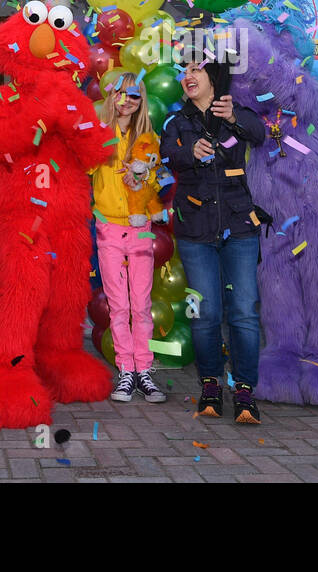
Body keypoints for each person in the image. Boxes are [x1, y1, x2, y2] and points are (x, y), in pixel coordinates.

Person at [159, 58, 266, 424]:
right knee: (205, 313)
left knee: (244, 312)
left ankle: (246, 390)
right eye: (185, 72)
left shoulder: (235, 111)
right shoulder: (177, 122)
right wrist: (189, 153)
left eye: (196, 71)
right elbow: (167, 153)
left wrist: (234, 119)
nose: (188, 77)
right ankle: (210, 385)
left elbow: (259, 132)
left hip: (239, 226)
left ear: (214, 78)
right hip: (195, 230)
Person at [91, 73, 167, 403]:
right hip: (108, 228)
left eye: (134, 96)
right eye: (122, 94)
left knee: (142, 303)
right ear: (112, 96)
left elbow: (162, 179)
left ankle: (144, 371)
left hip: (140, 230)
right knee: (119, 306)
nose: (127, 101)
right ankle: (125, 370)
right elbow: (83, 170)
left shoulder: (148, 137)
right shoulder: (99, 134)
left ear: (141, 102)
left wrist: (146, 177)